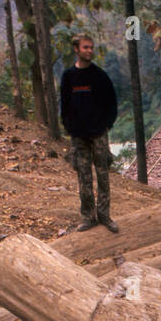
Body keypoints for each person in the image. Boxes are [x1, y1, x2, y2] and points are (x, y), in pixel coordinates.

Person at [60, 33, 119, 233]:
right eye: (85, 47)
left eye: (91, 47)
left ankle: (105, 216)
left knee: (103, 175)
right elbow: (65, 105)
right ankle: (88, 216)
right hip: (78, 136)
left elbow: (112, 103)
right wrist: (69, 128)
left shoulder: (99, 76)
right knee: (83, 177)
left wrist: (106, 125)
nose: (89, 51)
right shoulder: (69, 76)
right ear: (76, 49)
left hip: (98, 134)